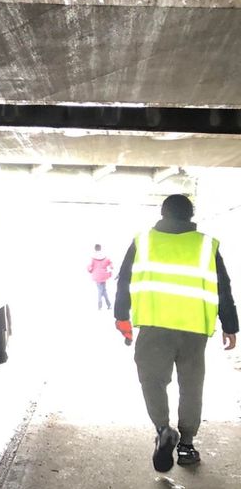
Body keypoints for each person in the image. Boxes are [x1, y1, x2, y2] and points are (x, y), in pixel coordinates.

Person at [114, 194, 238, 472]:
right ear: (190, 216)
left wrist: (121, 316)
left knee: (152, 381)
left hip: (154, 325)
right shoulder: (205, 244)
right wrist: (230, 325)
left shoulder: (143, 241)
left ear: (163, 213)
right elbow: (223, 287)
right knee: (191, 386)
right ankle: (187, 445)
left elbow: (124, 279)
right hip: (194, 329)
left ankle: (163, 429)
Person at [88, 244, 114, 310]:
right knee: (104, 290)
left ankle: (100, 305)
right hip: (104, 275)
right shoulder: (104, 256)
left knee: (100, 290)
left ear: (95, 249)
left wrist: (90, 270)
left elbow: (90, 266)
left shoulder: (93, 258)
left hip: (97, 276)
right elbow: (110, 262)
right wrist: (111, 267)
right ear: (100, 248)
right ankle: (109, 305)